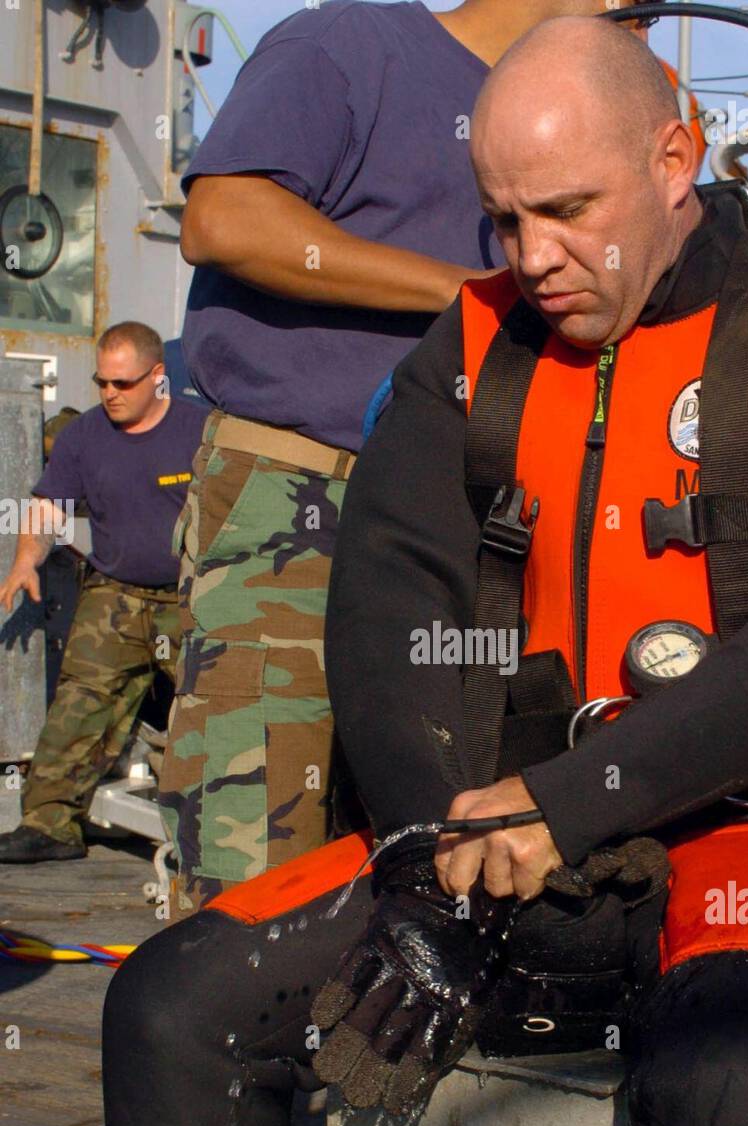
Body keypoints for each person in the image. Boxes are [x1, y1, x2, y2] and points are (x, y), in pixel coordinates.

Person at [102, 18, 748, 1126]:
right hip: (491, 845)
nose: (531, 257)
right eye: (501, 221)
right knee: (168, 1006)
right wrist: (436, 847)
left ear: (674, 154)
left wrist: (584, 796)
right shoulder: (472, 346)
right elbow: (390, 605)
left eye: (566, 210)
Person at [160, 0, 689, 919]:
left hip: (470, 525)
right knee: (254, 838)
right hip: (303, 499)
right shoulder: (350, 45)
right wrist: (474, 295)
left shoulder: (564, 108)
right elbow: (223, 217)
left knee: (428, 849)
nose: (651, 27)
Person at [0, 323, 207, 864]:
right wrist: (26, 560)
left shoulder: (203, 432)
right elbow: (48, 508)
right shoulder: (83, 436)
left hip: (192, 598)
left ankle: (224, 837)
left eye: (123, 383)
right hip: (115, 596)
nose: (110, 393)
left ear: (158, 378)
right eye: (101, 382)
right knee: (78, 705)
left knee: (213, 708)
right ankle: (50, 826)